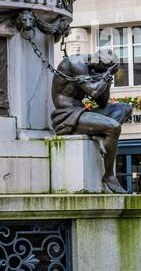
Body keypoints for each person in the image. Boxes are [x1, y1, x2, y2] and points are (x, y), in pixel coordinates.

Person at [51, 49, 132, 194]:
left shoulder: (94, 68)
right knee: (114, 127)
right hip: (66, 115)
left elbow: (101, 102)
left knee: (125, 108)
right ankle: (108, 175)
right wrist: (106, 75)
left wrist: (107, 80)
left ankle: (98, 134)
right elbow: (94, 91)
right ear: (99, 62)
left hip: (81, 113)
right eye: (105, 68)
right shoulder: (76, 63)